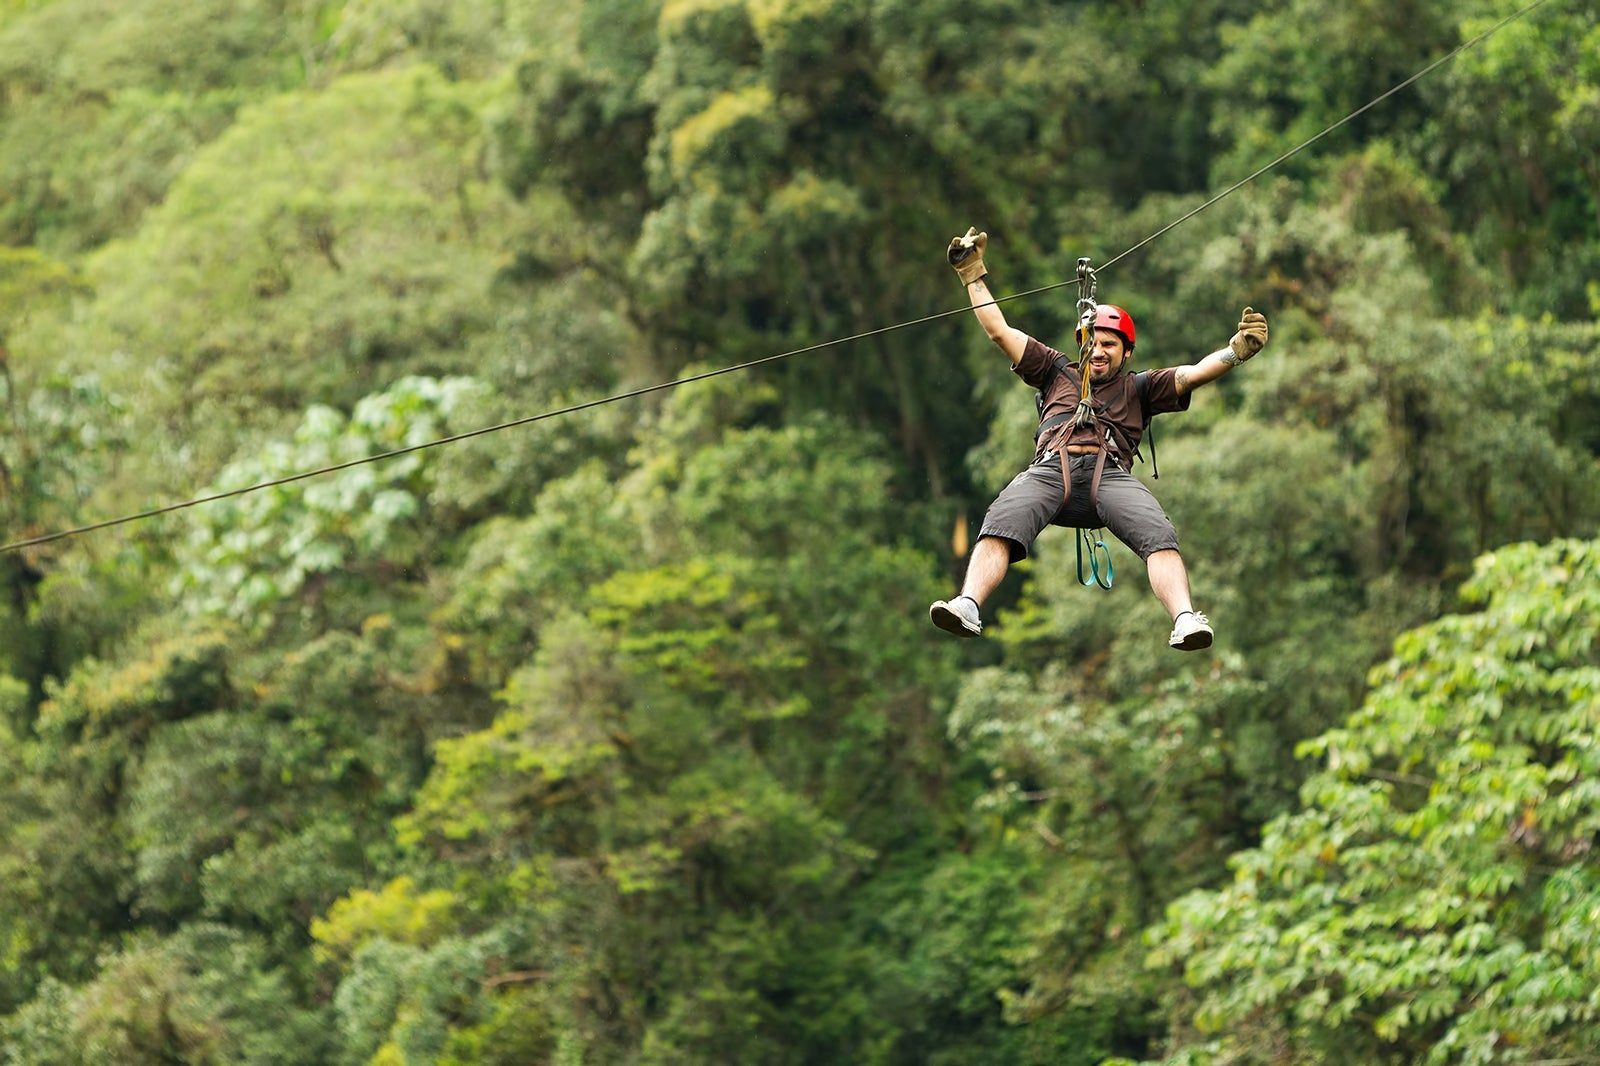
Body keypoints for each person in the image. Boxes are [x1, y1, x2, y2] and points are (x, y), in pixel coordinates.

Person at [928, 227, 1269, 651]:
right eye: (1093, 342)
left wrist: (1236, 351)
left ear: (1126, 352)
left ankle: (1184, 618)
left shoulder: (1140, 388)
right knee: (1001, 522)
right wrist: (972, 273)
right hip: (1053, 469)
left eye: (1109, 344)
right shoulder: (1055, 371)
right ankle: (969, 604)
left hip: (1109, 477)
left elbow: (1194, 372)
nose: (1100, 351)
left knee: (1158, 534)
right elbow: (999, 331)